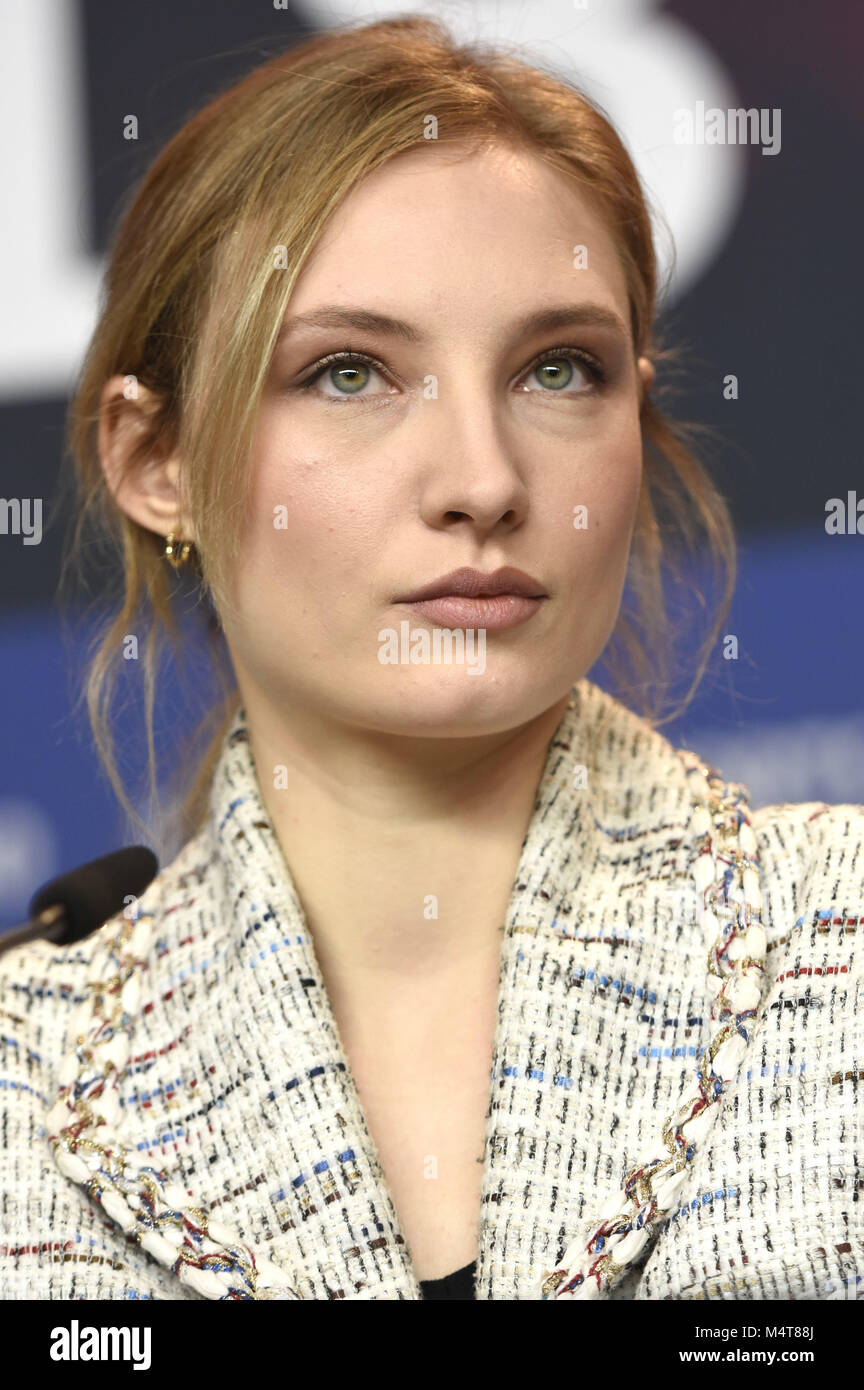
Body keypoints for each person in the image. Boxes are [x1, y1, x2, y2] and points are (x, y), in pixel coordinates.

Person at [1, 15, 861, 1302]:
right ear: (155, 463)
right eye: (350, 374)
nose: (483, 480)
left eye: (557, 370)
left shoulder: (841, 949)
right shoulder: (23, 1085)